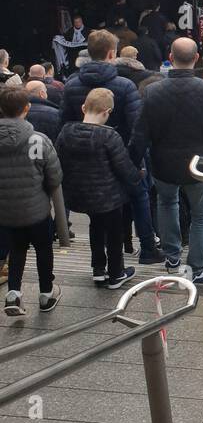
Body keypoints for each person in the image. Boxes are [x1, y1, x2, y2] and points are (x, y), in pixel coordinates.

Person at [129, 37, 203, 284]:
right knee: (202, 214)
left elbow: (140, 133)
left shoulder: (153, 91)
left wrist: (134, 162)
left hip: (164, 161)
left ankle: (172, 256)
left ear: (170, 57)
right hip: (201, 162)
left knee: (166, 203)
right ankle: (198, 268)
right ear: (196, 58)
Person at [56, 86, 143, 290]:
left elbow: (59, 160)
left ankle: (98, 268)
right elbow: (123, 167)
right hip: (108, 196)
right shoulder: (109, 136)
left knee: (95, 227)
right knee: (114, 232)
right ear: (107, 112)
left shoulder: (66, 132)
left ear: (83, 107)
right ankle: (116, 273)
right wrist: (138, 176)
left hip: (80, 194)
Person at [0, 87, 63, 316]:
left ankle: (13, 293)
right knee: (44, 249)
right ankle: (46, 293)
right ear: (27, 108)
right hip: (36, 210)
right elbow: (55, 177)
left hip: (5, 212)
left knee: (17, 248)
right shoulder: (38, 140)